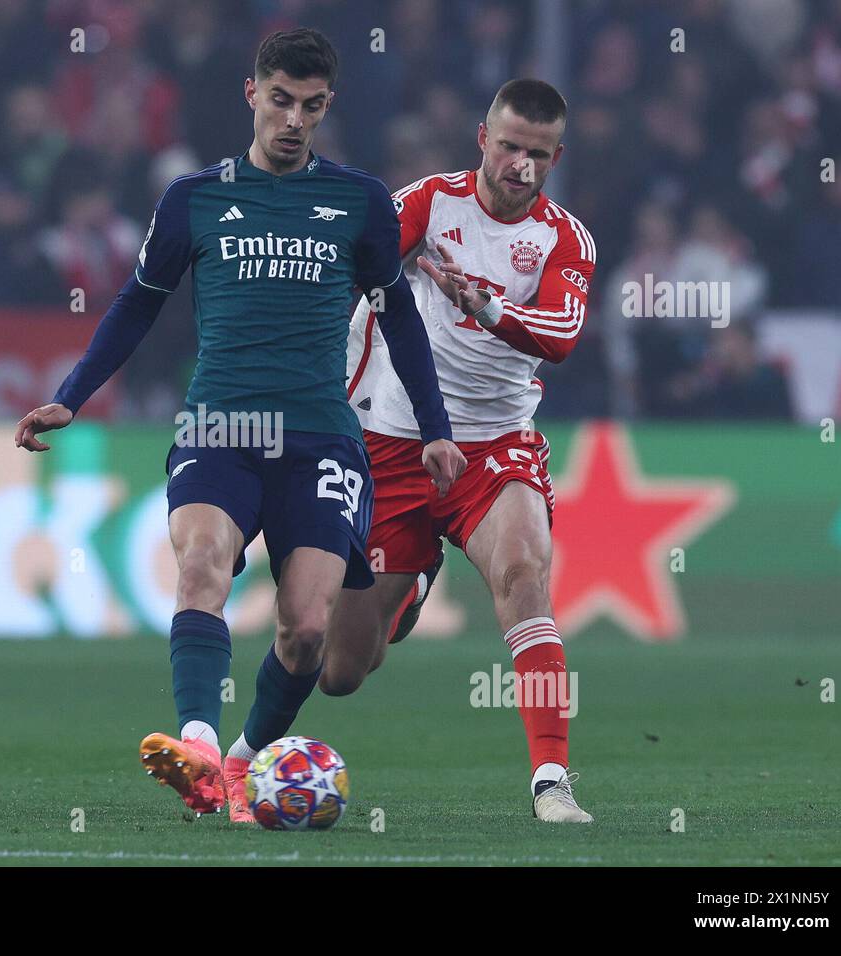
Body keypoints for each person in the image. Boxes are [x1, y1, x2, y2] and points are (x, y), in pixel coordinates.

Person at [15, 28, 464, 817]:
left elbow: (399, 318)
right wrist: (72, 395)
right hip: (219, 429)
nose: (294, 119)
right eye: (282, 100)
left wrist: (434, 427)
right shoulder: (195, 197)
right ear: (252, 94)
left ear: (328, 107)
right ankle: (193, 743)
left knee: (307, 630)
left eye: (312, 106)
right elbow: (137, 304)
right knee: (200, 567)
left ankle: (238, 762)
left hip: (322, 437)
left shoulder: (359, 201)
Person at [323, 79, 597, 823]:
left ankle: (552, 782)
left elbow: (563, 336)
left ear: (556, 158)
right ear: (483, 137)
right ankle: (407, 590)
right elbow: (352, 274)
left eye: (538, 155)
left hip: (495, 447)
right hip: (393, 438)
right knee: (343, 671)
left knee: (524, 576)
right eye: (509, 146)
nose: (521, 165)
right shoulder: (426, 204)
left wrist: (486, 304)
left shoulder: (565, 239)